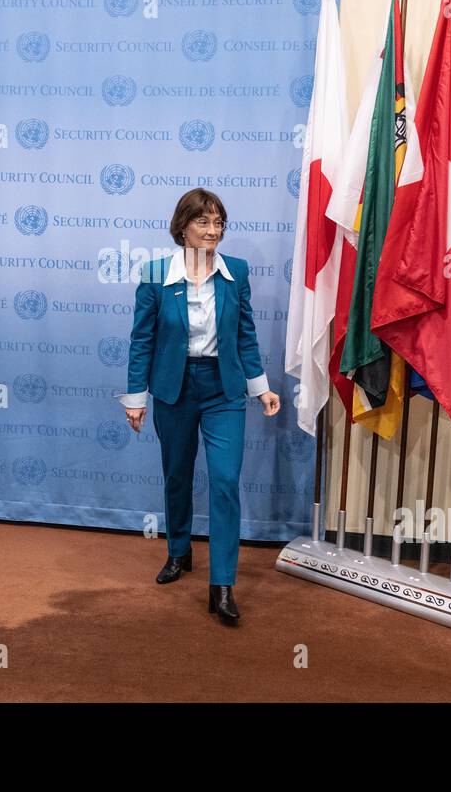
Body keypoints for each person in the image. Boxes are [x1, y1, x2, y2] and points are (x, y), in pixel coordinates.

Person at [118, 188, 281, 626]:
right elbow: (142, 342)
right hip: (173, 388)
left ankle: (222, 585)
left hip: (223, 389)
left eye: (219, 223)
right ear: (183, 227)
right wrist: (135, 400)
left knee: (225, 481)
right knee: (177, 474)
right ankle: (178, 551)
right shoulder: (155, 275)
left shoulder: (237, 273)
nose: (213, 231)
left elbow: (245, 335)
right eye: (204, 222)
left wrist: (260, 387)